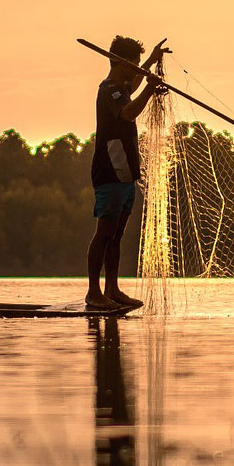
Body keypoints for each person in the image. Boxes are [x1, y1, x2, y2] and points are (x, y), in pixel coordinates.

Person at [87, 35, 167, 310]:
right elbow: (127, 112)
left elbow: (132, 84)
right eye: (133, 64)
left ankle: (112, 289)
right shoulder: (109, 90)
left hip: (126, 172)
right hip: (111, 169)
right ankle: (93, 293)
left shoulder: (121, 86)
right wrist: (150, 89)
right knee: (105, 231)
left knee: (117, 233)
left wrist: (152, 60)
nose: (137, 70)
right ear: (120, 63)